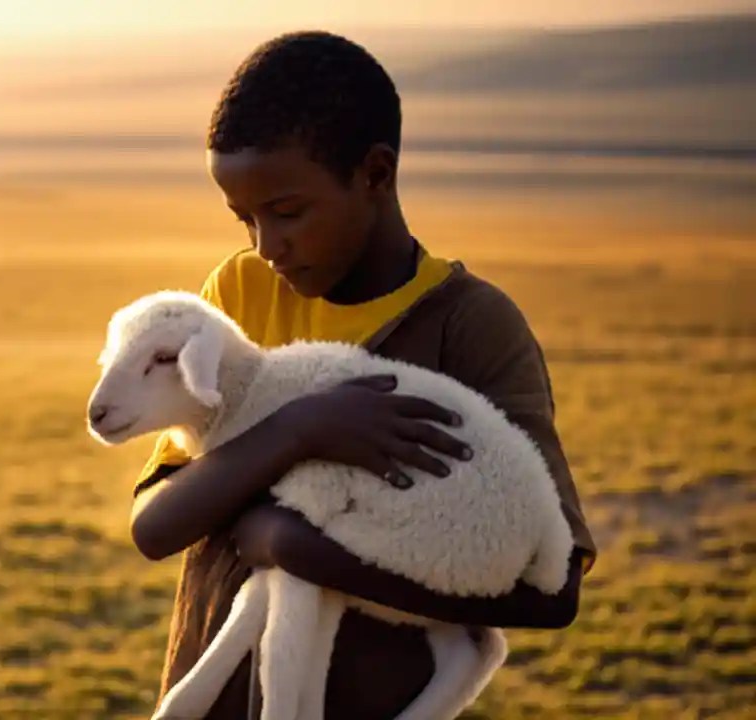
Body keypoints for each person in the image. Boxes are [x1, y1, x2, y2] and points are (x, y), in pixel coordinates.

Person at [128, 31, 597, 719]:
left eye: (286, 213)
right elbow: (157, 524)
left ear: (375, 174)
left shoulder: (469, 327)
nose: (265, 246)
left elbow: (550, 593)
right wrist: (300, 429)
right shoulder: (240, 296)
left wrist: (296, 548)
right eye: (243, 219)